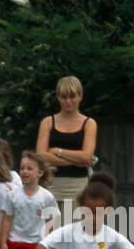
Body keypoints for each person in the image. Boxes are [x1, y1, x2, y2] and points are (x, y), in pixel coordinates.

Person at [35, 76, 98, 226]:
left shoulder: (89, 123)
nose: (68, 101)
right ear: (58, 97)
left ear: (80, 96)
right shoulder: (47, 122)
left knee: (73, 236)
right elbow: (41, 155)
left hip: (77, 187)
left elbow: (86, 155)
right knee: (49, 236)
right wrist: (77, 161)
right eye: (64, 97)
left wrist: (58, 151)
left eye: (72, 96)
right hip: (50, 185)